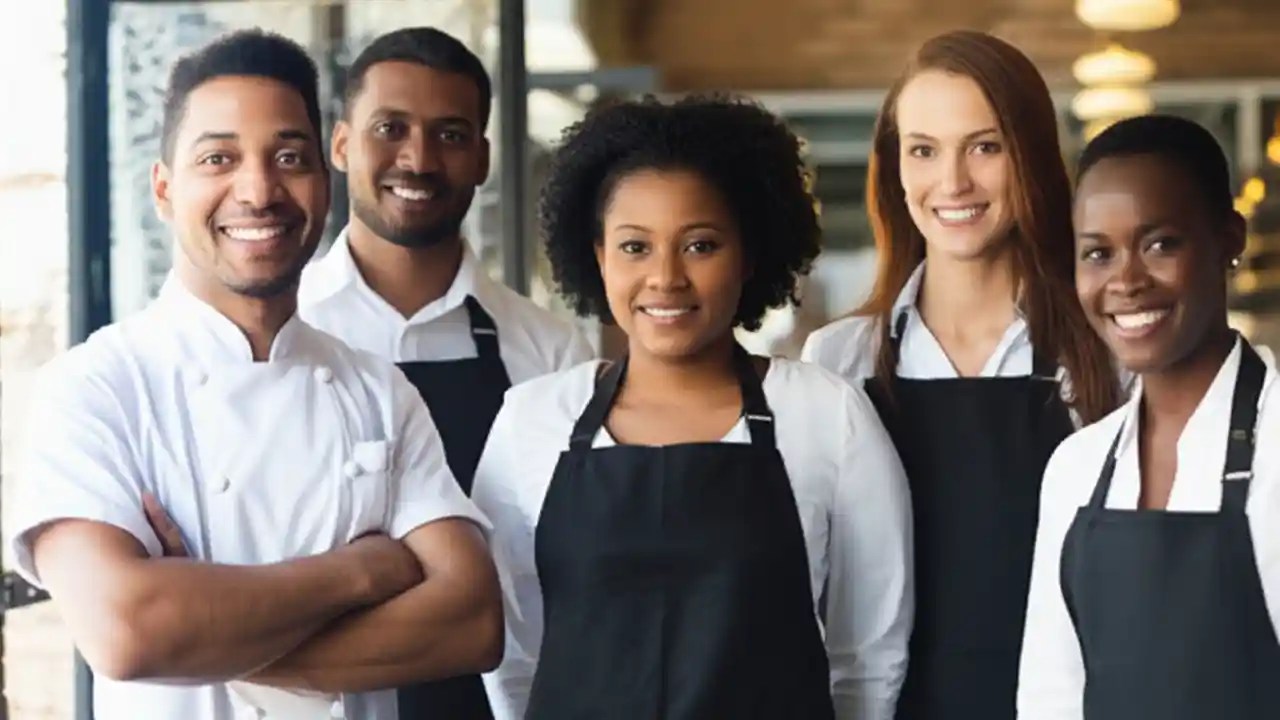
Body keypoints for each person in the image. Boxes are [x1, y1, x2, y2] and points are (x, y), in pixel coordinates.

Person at [6, 30, 502, 720]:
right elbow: (127, 632)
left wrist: (206, 635)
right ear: (163, 189)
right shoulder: (94, 388)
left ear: (324, 184)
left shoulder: (379, 390)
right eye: (219, 158)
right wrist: (362, 571)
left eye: (289, 157)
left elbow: (472, 621)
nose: (259, 190)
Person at [471, 95, 914, 720]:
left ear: (750, 255)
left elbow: (869, 656)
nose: (666, 278)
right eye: (634, 247)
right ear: (597, 257)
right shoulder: (531, 419)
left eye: (700, 245)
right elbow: (513, 652)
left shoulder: (826, 415)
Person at [800, 30, 1122, 720]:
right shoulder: (839, 362)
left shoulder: (1106, 355)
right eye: (923, 150)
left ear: (1030, 155)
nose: (952, 183)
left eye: (984, 146)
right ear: (894, 168)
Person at [297, 26, 592, 718]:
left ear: (484, 156)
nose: (418, 158)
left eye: (451, 134)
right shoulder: (287, 330)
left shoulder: (549, 351)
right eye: (389, 128)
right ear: (341, 145)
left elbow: (572, 570)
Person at [1017, 115, 1280, 719]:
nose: (1126, 281)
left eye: (1160, 243)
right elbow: (1050, 699)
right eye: (1097, 253)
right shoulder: (1075, 468)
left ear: (1229, 239)